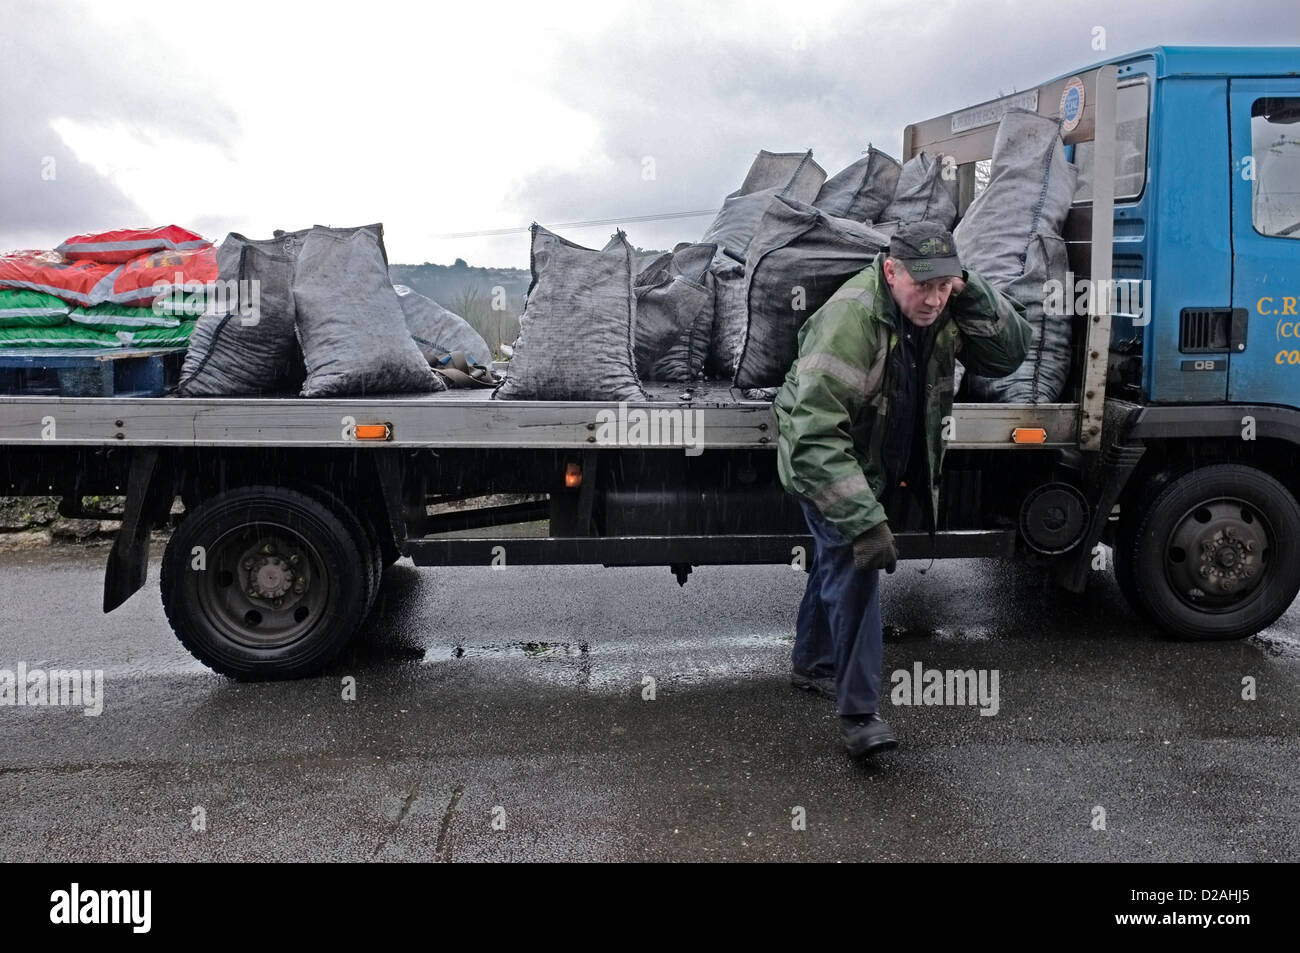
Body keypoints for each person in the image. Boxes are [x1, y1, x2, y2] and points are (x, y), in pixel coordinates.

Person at [773, 221, 1032, 759]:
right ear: (891, 271)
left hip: (874, 456)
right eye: (923, 286)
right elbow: (815, 434)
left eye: (944, 287)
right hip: (828, 460)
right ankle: (860, 714)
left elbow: (1010, 354)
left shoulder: (944, 307)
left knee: (831, 564)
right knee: (856, 566)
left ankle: (814, 664)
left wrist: (972, 289)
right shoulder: (853, 318)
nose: (933, 300)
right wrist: (865, 520)